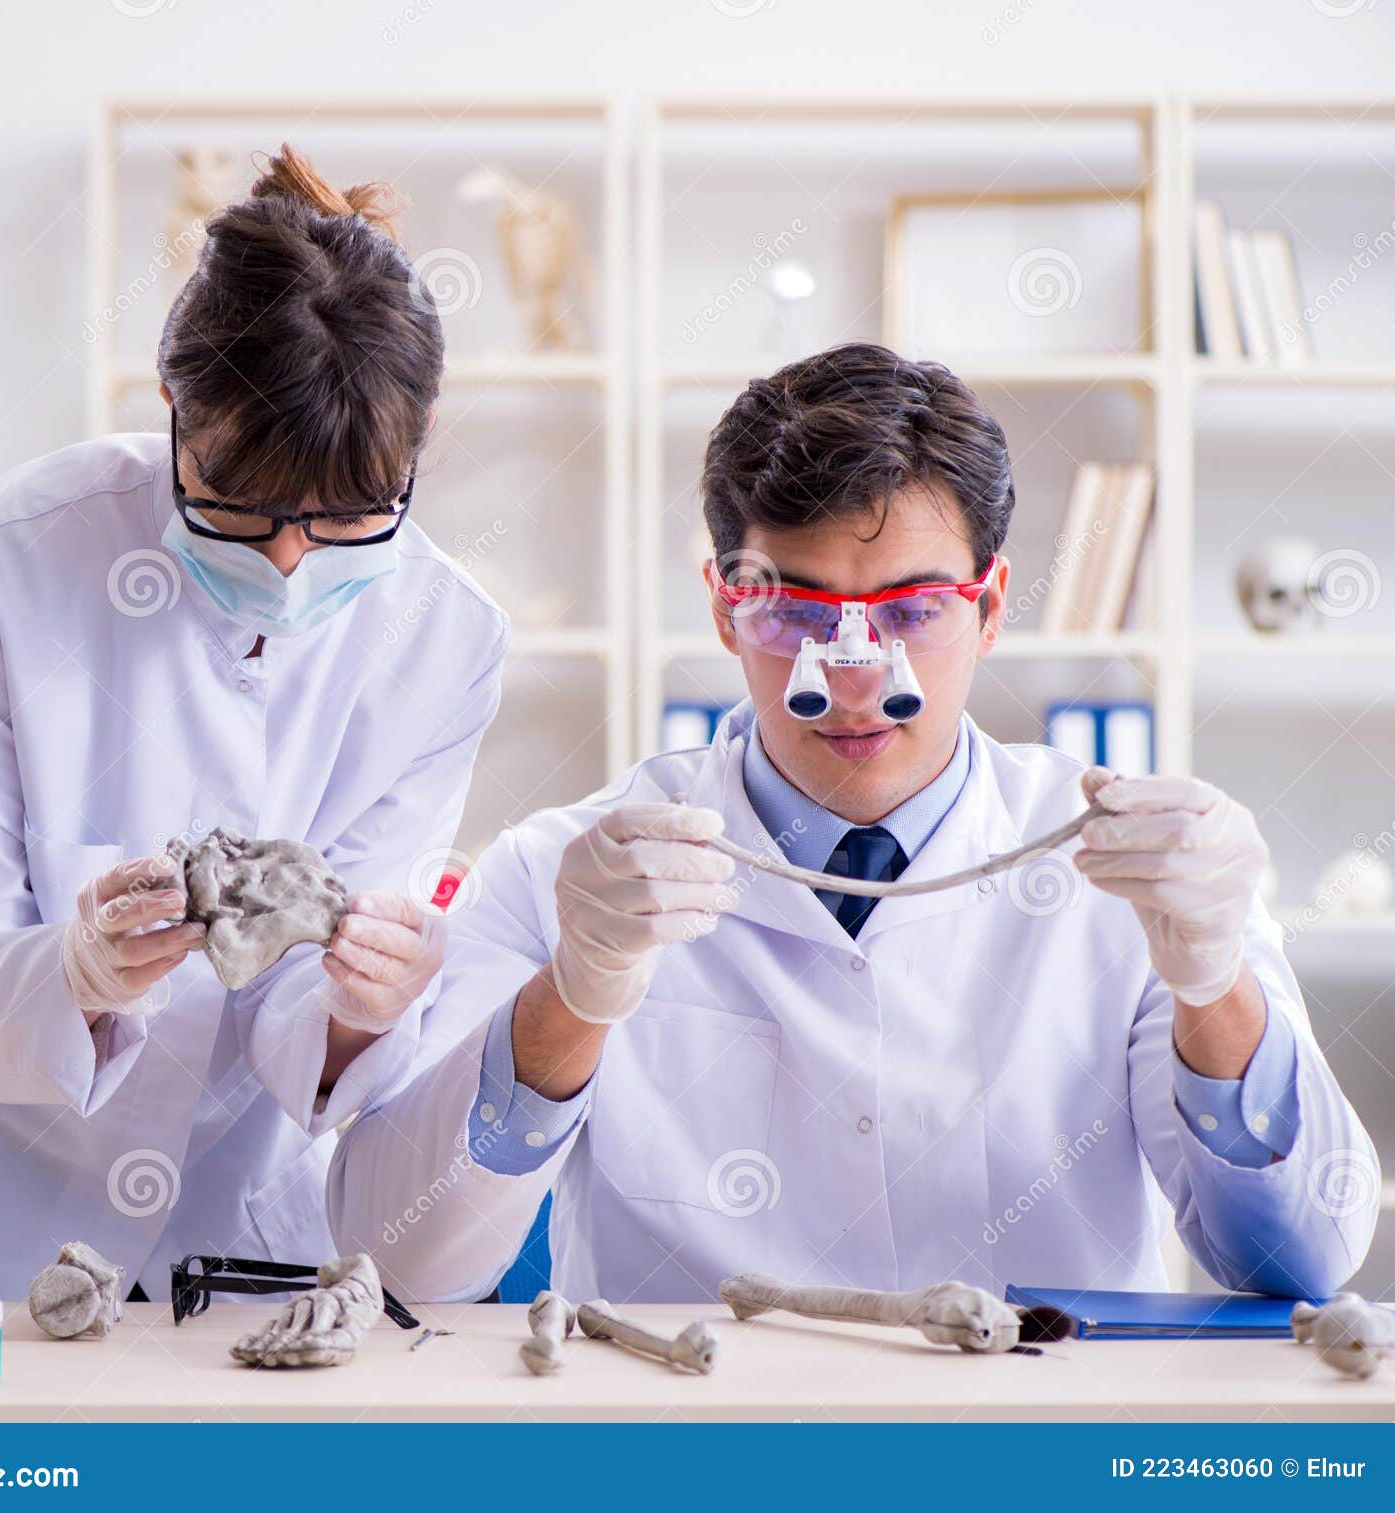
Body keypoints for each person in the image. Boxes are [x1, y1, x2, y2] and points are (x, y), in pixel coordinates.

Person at [328, 343, 1377, 1305]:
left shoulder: (1137, 869)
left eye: (916, 609)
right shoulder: (566, 872)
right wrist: (572, 996)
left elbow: (1305, 1261)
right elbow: (404, 1260)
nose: (859, 676)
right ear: (725, 606)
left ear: (992, 605)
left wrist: (1213, 987)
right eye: (795, 613)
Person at [0, 147, 507, 1299]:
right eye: (236, 506)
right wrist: (72, 971)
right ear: (173, 405)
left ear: (416, 445)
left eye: (346, 520)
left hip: (214, 1207)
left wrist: (363, 1004)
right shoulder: (2, 570)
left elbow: (300, 1002)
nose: (288, 561)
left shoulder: (446, 641)